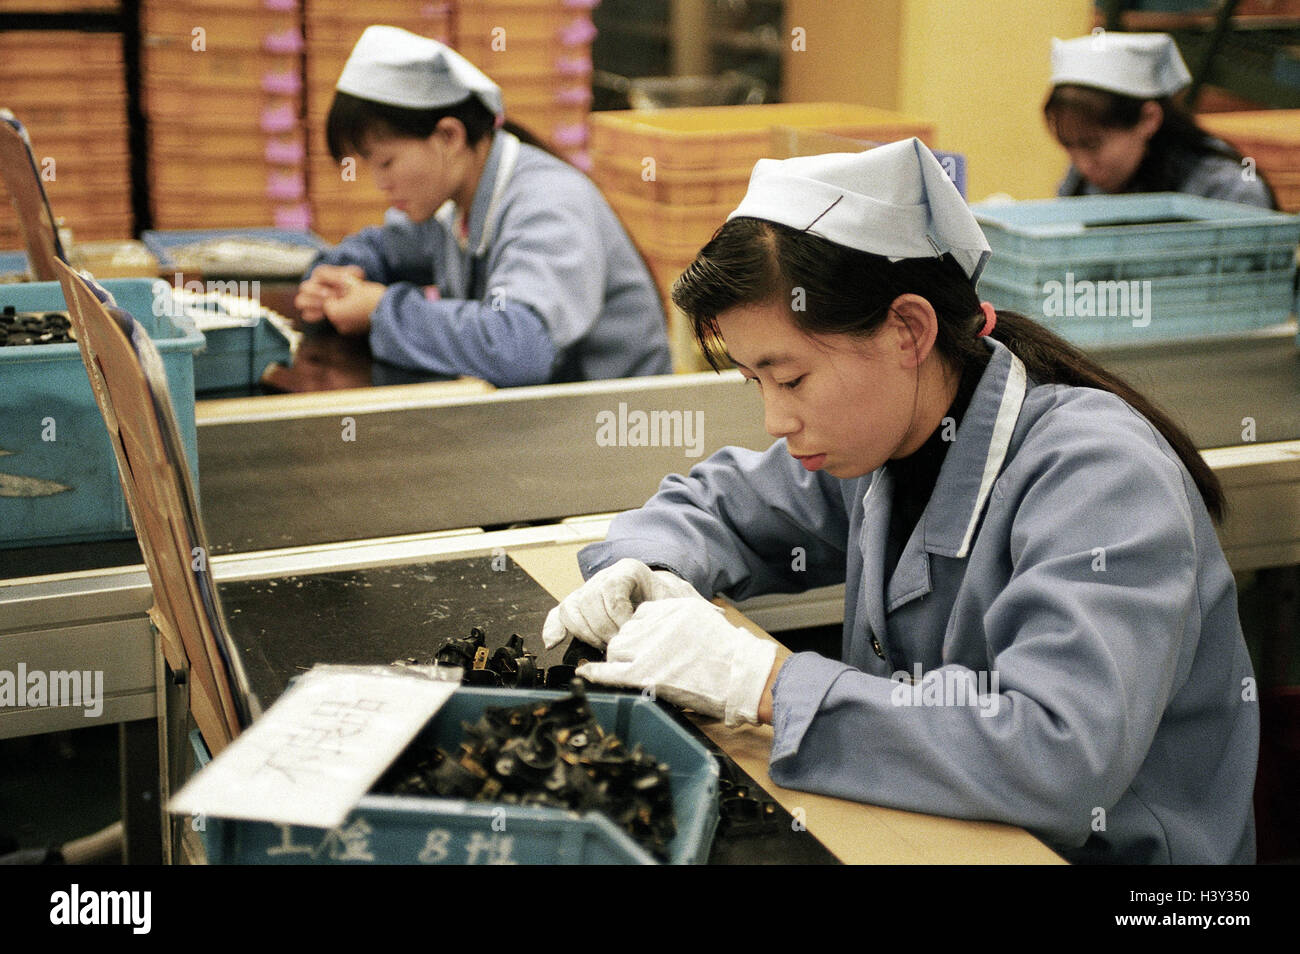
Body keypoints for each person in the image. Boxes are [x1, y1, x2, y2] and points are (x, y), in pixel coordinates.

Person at [541, 138, 1259, 864]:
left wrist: (767, 683)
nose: (775, 420)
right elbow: (716, 504)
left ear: (908, 329)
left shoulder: (1100, 477)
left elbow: (1059, 758)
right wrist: (642, 567)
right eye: (755, 384)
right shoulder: (878, 443)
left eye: (789, 379)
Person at [295, 26, 673, 386]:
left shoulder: (547, 202)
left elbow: (519, 347)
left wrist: (382, 312)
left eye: (386, 163)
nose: (380, 184)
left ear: (448, 136)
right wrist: (334, 275)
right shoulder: (454, 203)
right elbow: (385, 247)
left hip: (608, 432)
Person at [1045, 32, 1277, 209]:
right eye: (1069, 146)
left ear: (1149, 119)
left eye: (1093, 145)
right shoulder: (1083, 183)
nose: (1082, 164)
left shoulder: (1226, 191)